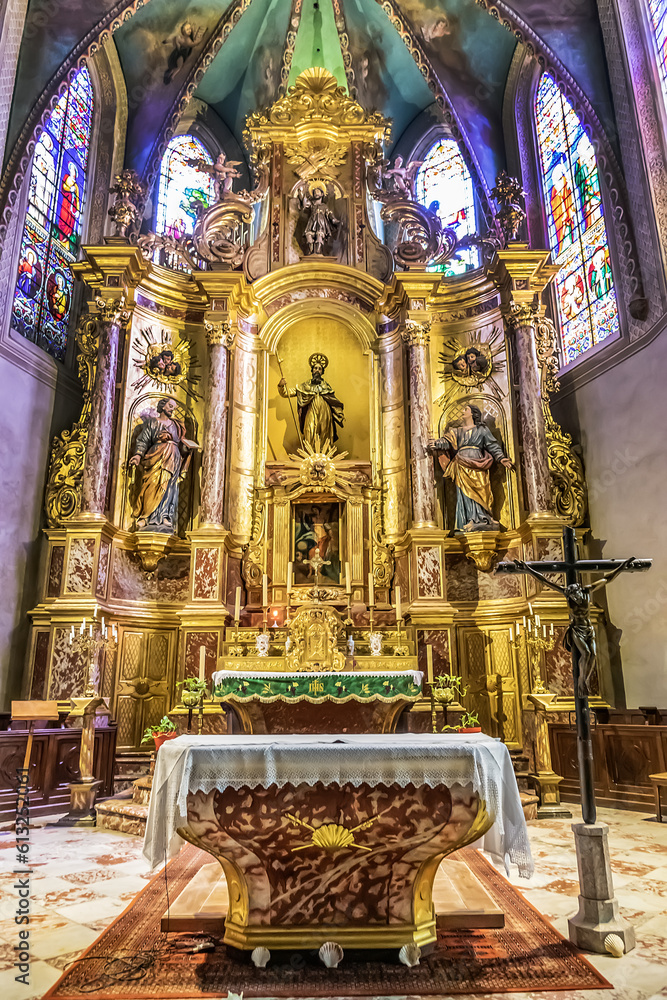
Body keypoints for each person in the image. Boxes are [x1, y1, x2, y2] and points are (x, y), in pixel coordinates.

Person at [428, 403, 514, 532]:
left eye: (465, 409)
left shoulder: (482, 430)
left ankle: (483, 518)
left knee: (482, 491)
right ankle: (468, 520)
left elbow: (492, 445)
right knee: (464, 495)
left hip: (479, 464)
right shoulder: (456, 431)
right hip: (462, 465)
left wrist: (501, 458)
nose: (462, 411)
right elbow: (446, 441)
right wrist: (437, 443)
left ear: (473, 413)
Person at [129, 398, 198, 532]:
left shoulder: (177, 426)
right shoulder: (152, 423)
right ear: (163, 405)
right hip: (156, 457)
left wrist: (187, 449)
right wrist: (138, 455)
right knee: (151, 485)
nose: (173, 409)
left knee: (169, 488)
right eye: (171, 406)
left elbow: (180, 445)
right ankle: (145, 516)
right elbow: (143, 440)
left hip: (173, 459)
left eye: (174, 407)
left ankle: (165, 515)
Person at [278, 353, 344, 450]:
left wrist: (339, 413)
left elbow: (333, 401)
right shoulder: (305, 386)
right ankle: (309, 456)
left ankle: (324, 457)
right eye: (315, 368)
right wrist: (281, 386)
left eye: (319, 369)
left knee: (324, 432)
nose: (317, 370)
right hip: (311, 411)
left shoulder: (326, 386)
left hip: (325, 413)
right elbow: (286, 393)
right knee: (309, 430)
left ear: (322, 372)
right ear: (312, 371)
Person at [300, 185, 339, 254]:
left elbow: (329, 213)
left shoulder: (324, 206)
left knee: (319, 235)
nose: (316, 193)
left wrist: (334, 219)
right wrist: (301, 193)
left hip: (321, 222)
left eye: (318, 191)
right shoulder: (312, 205)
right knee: (308, 235)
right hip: (311, 222)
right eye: (314, 192)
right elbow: (305, 204)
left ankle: (318, 251)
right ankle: (311, 250)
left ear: (322, 194)